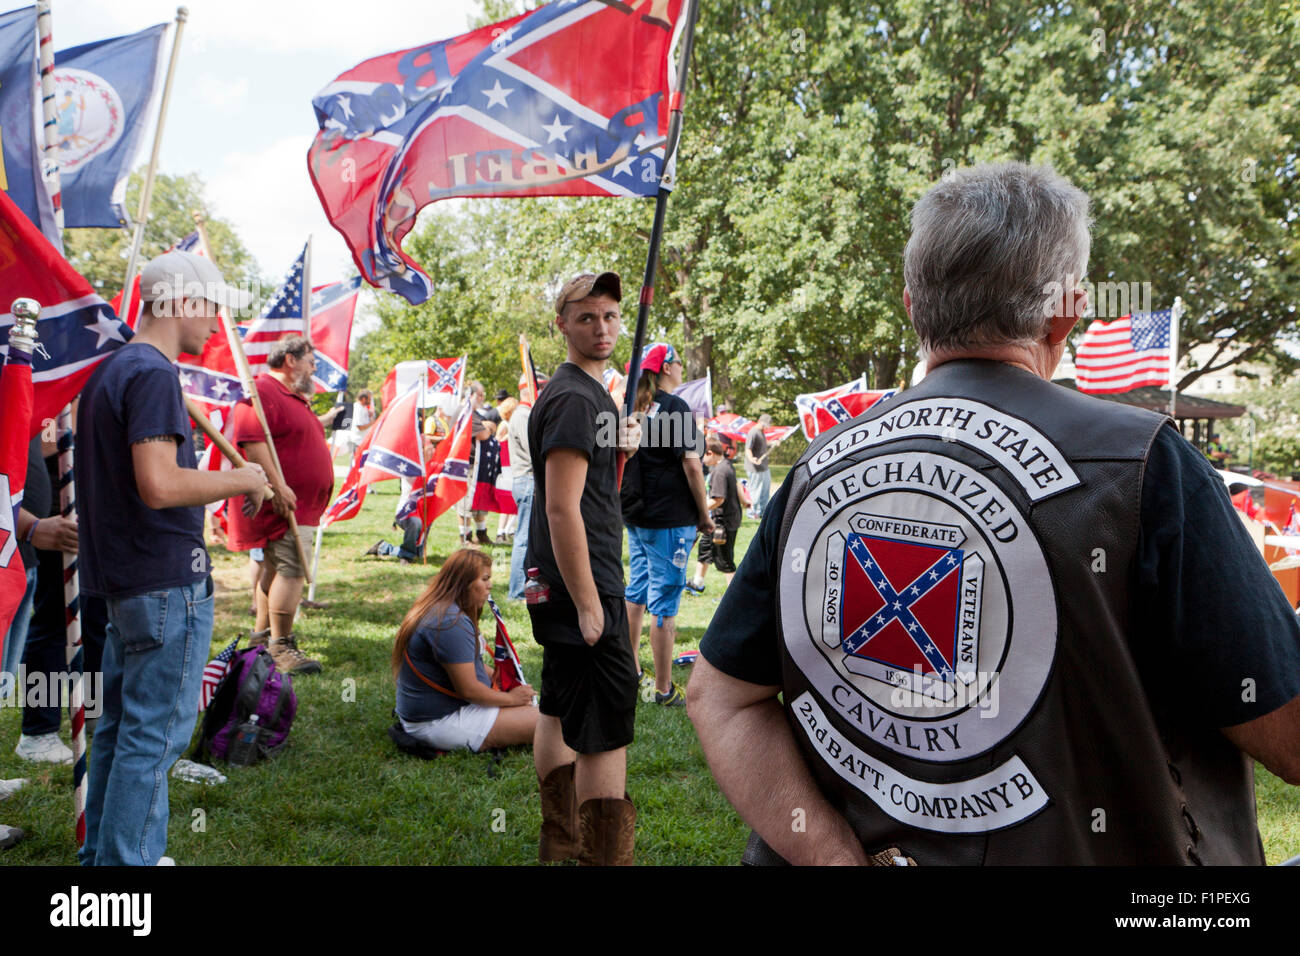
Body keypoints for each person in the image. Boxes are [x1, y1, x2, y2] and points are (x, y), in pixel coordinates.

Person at [688, 161, 1300, 866]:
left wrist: (831, 858)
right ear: (1066, 312)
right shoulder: (1143, 464)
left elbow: (721, 699)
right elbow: (1285, 732)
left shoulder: (816, 468)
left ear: (913, 305)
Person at [75, 250, 269, 865]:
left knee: (119, 732)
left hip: (121, 584)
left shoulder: (113, 369)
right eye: (212, 307)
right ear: (184, 302)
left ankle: (104, 863)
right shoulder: (153, 374)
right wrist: (244, 481)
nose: (217, 324)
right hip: (161, 583)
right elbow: (159, 484)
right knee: (152, 740)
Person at [527, 271, 641, 865]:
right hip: (583, 583)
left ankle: (560, 845)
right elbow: (559, 506)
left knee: (559, 701)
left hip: (557, 582)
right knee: (606, 721)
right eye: (586, 317)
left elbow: (585, 482)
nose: (601, 327)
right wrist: (593, 603)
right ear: (562, 324)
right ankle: (597, 857)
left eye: (610, 316)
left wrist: (618, 444)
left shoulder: (582, 393)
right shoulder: (574, 396)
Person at [228, 336, 335, 675]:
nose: (314, 367)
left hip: (298, 504)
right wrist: (277, 486)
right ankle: (281, 647)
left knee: (274, 572)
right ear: (290, 360)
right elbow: (252, 440)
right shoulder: (261, 392)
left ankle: (261, 641)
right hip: (285, 504)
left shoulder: (291, 397)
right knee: (291, 571)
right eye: (310, 360)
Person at [621, 342, 712, 706]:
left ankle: (630, 672)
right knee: (666, 598)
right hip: (670, 517)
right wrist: (704, 515)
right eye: (676, 362)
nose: (680, 368)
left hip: (636, 513)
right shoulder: (676, 407)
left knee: (638, 589)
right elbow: (692, 465)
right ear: (666, 369)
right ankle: (662, 689)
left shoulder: (630, 406)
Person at [393, 549, 537, 752]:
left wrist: (506, 685)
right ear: (464, 582)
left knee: (547, 712)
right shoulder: (451, 623)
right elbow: (468, 690)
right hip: (438, 722)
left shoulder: (442, 609)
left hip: (434, 715)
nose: (490, 585)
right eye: (484, 579)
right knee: (553, 721)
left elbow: (472, 665)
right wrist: (512, 699)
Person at [507, 372, 546, 600]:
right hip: (528, 479)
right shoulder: (523, 416)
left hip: (530, 480)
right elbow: (535, 451)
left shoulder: (528, 413)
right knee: (524, 538)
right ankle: (518, 590)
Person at [687, 437, 743, 593]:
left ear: (710, 453)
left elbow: (718, 499)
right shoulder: (727, 465)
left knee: (724, 560)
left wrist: (700, 510)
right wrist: (745, 500)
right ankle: (697, 583)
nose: (702, 460)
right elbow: (737, 485)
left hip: (723, 522)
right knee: (705, 548)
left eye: (703, 456)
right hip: (720, 520)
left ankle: (733, 595)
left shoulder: (719, 471)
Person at [457, 381, 494, 545]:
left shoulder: (478, 414)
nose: (482, 398)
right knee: (466, 503)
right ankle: (465, 536)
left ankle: (482, 533)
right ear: (470, 395)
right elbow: (484, 434)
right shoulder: (465, 414)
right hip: (467, 465)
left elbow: (490, 428)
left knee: (480, 501)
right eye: (479, 395)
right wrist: (488, 428)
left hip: (480, 466)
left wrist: (488, 427)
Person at [743, 413, 772, 519]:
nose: (766, 428)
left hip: (764, 467)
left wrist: (773, 442)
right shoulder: (753, 432)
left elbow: (763, 443)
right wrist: (752, 459)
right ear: (760, 422)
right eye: (765, 425)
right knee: (755, 491)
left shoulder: (761, 432)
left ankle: (762, 512)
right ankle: (751, 512)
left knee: (765, 490)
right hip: (754, 468)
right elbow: (748, 449)